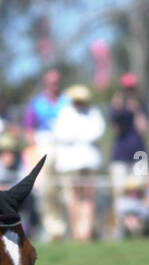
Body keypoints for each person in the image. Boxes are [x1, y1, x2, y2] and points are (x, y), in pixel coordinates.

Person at [51, 85, 103, 242]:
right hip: (71, 163)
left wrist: (79, 136)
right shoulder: (65, 114)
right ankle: (77, 232)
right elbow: (62, 134)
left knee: (88, 196)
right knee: (73, 197)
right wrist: (80, 135)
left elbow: (96, 132)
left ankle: (86, 232)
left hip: (89, 162)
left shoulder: (94, 113)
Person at [24, 69, 70, 241]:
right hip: (44, 146)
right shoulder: (37, 103)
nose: (54, 85)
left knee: (66, 190)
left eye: (57, 81)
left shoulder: (68, 101)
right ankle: (52, 230)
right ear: (46, 83)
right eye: (51, 82)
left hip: (66, 147)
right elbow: (29, 129)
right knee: (46, 190)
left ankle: (69, 229)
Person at [108, 73, 149, 200]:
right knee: (120, 193)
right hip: (120, 156)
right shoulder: (118, 108)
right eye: (127, 89)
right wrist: (118, 106)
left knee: (141, 190)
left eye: (132, 88)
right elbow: (115, 128)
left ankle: (140, 219)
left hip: (139, 155)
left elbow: (143, 129)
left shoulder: (142, 106)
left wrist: (136, 110)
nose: (130, 92)